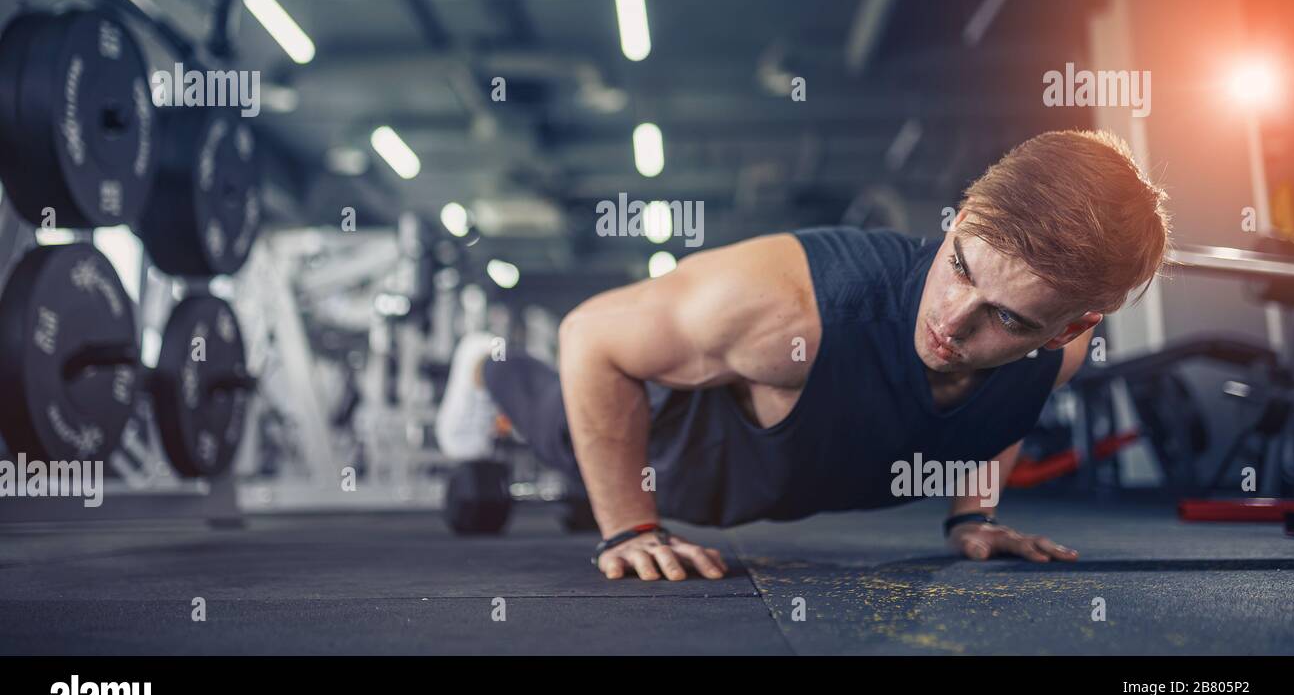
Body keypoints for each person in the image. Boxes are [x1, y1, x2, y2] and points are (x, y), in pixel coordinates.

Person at [436, 129, 1171, 581]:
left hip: (750, 481)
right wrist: (630, 525)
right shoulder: (785, 304)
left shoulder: (1054, 360)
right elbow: (588, 335)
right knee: (555, 427)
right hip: (664, 449)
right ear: (963, 218)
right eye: (960, 267)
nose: (952, 320)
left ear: (1068, 331)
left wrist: (970, 517)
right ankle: (484, 362)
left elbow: (1000, 408)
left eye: (1005, 317)